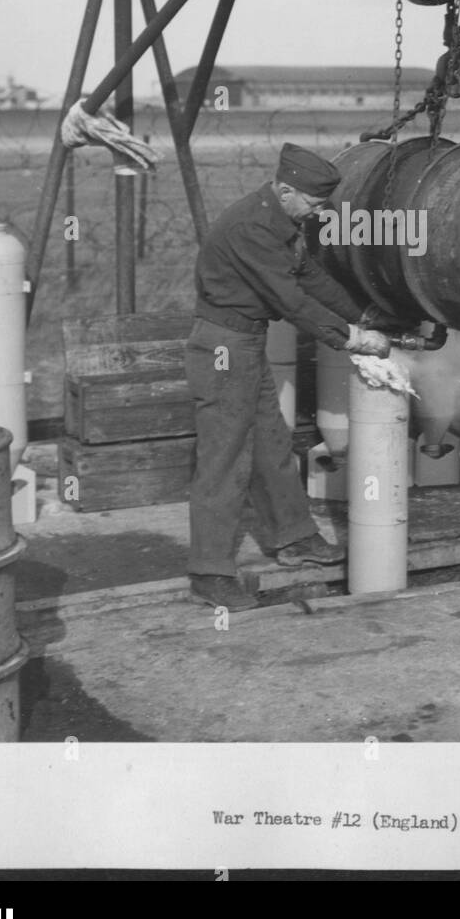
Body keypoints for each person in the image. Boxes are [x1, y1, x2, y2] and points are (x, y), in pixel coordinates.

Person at [186, 142, 393, 611]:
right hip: (224, 348)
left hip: (244, 344)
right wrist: (355, 339)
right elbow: (291, 303)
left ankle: (294, 536)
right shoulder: (253, 228)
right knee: (225, 460)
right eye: (316, 205)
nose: (319, 214)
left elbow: (310, 279)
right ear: (286, 190)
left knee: (270, 443)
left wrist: (365, 313)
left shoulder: (281, 218)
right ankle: (209, 572)